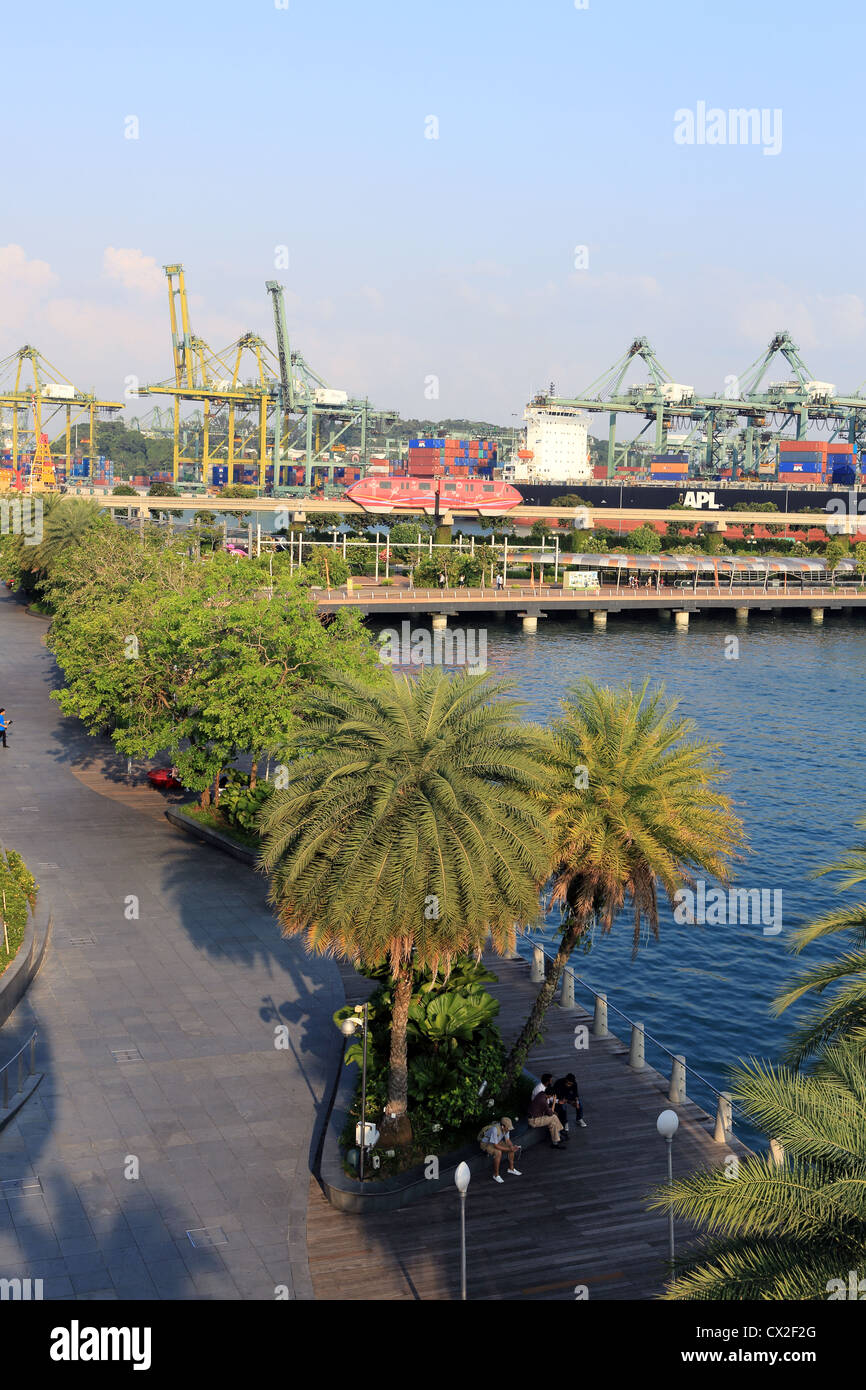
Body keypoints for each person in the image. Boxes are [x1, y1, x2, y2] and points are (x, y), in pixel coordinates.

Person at [479, 1116, 522, 1183]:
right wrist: (509, 1149)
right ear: (502, 1126)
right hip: (486, 1144)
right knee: (498, 1152)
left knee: (511, 1148)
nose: (509, 1130)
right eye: (508, 1128)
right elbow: (496, 1146)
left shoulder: (506, 1128)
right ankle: (496, 1175)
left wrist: (511, 1147)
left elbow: (507, 1140)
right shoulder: (495, 1129)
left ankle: (511, 1169)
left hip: (496, 1142)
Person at [553, 1072, 587, 1138]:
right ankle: (565, 1122)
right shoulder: (559, 1082)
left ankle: (579, 1118)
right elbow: (556, 1095)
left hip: (569, 1096)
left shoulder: (574, 1083)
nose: (569, 1085)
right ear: (566, 1080)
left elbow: (576, 1094)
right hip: (560, 1098)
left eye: (570, 1084)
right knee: (563, 1107)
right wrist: (567, 1101)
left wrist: (576, 1101)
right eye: (568, 1083)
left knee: (579, 1104)